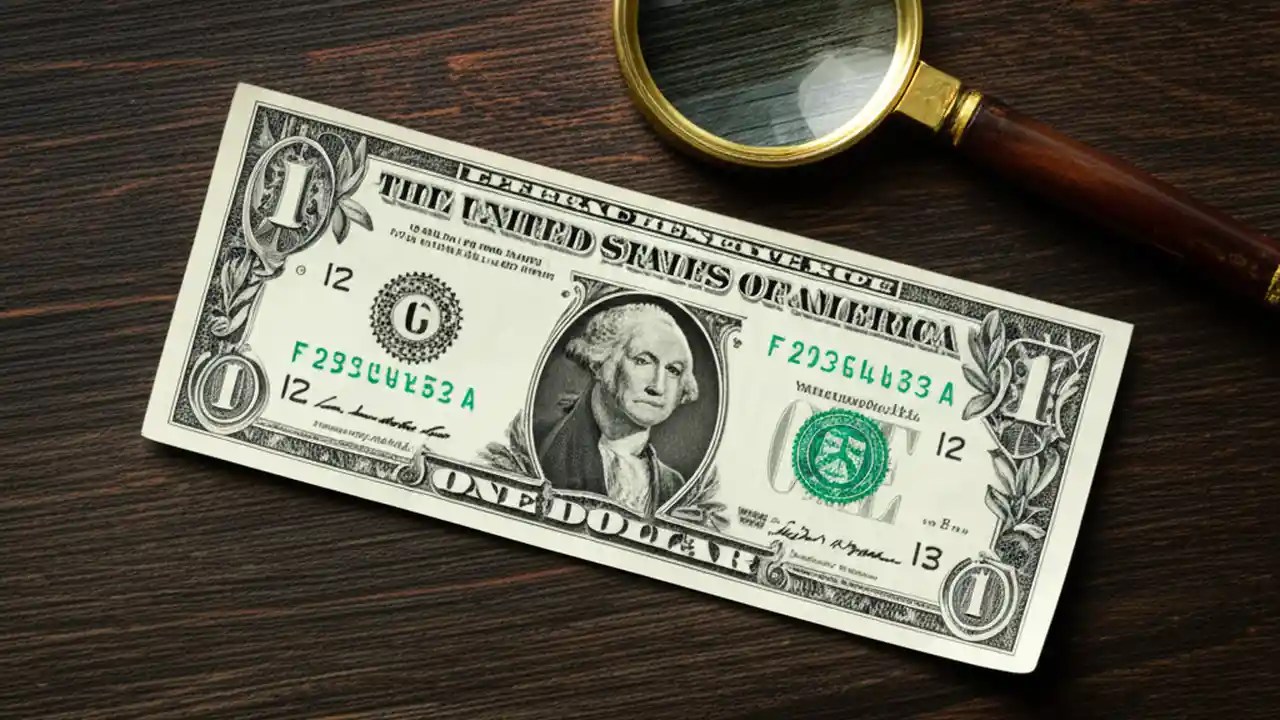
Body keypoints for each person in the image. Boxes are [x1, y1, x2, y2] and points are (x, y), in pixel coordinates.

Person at [536, 302, 699, 516]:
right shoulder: (542, 443)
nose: (658, 387)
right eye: (642, 361)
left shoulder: (673, 485)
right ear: (598, 364)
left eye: (673, 370)